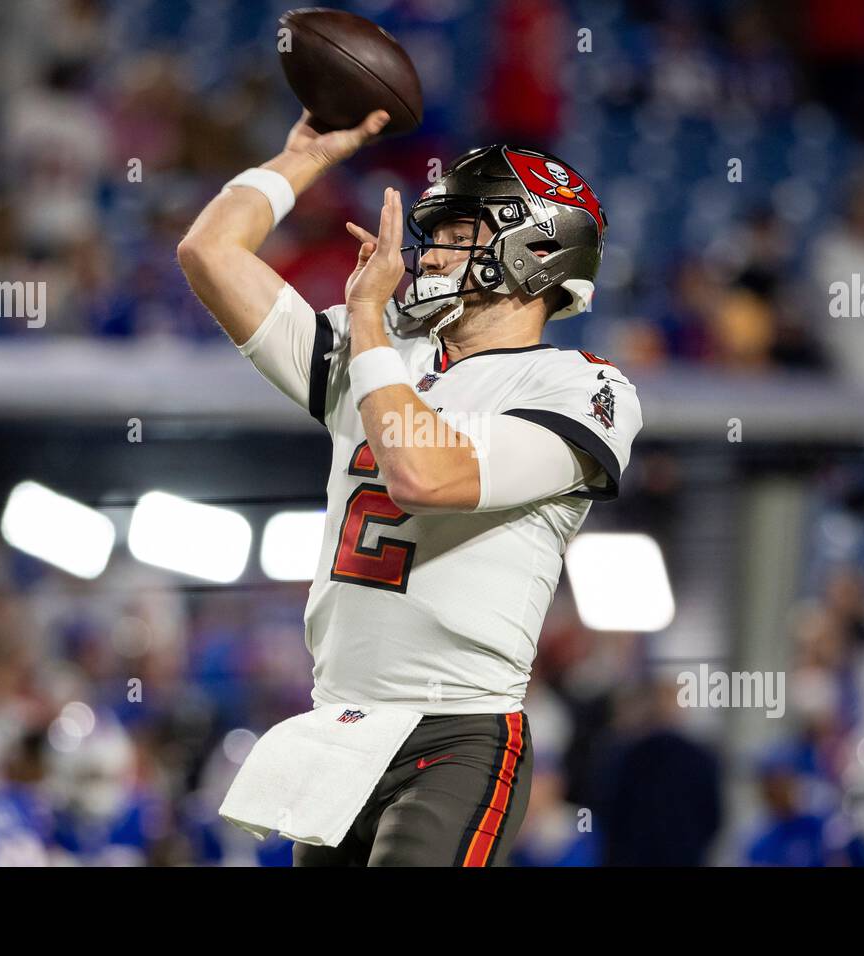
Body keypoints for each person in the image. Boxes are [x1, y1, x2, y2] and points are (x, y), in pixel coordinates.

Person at [177, 108, 640, 866]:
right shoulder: (383, 348)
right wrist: (300, 159)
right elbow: (209, 251)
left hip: (457, 729)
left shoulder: (578, 384)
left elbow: (423, 473)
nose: (430, 253)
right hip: (341, 730)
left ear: (535, 250)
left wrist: (367, 326)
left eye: (462, 233)